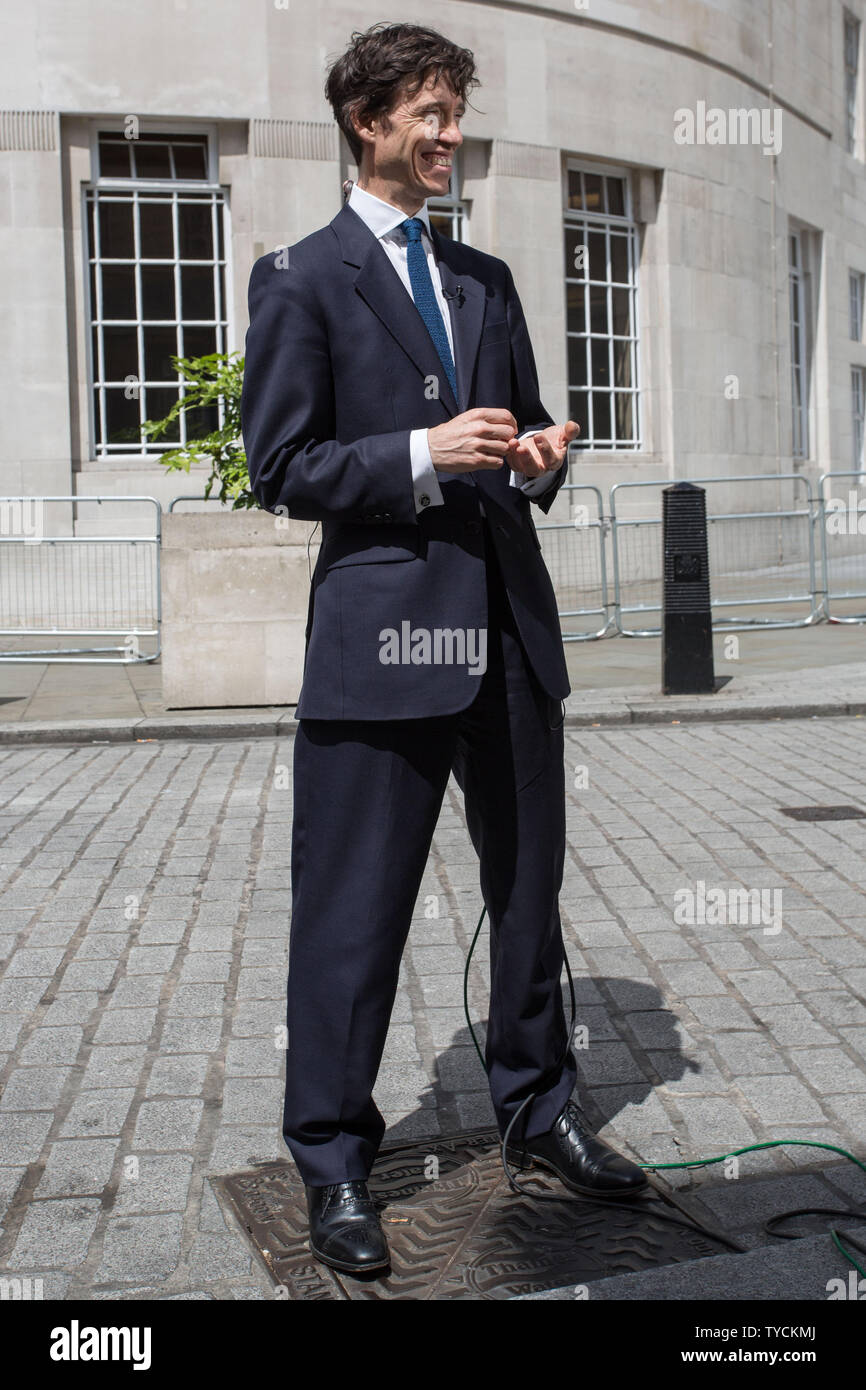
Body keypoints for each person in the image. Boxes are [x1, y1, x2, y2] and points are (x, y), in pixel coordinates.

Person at [241, 20, 647, 1276]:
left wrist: (539, 456)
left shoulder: (485, 281)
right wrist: (422, 457)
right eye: (431, 113)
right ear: (368, 122)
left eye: (456, 113)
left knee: (526, 903)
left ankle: (537, 1112)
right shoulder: (300, 277)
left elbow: (520, 435)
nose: (451, 136)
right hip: (381, 640)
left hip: (508, 636)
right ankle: (333, 1164)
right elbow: (283, 465)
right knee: (351, 919)